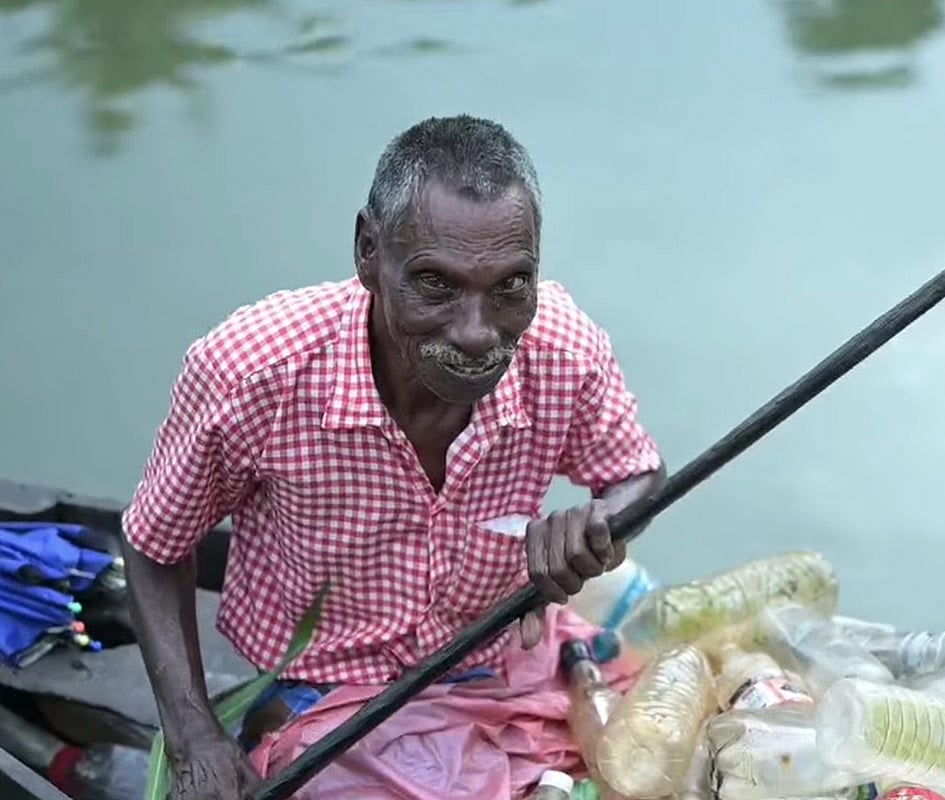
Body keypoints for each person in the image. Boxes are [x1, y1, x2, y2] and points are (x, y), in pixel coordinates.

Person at [120, 114, 666, 800]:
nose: (477, 334)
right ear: (368, 252)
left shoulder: (564, 350)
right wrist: (194, 735)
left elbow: (638, 475)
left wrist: (597, 525)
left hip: (501, 662)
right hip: (321, 691)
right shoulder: (253, 372)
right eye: (436, 284)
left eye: (510, 286)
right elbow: (154, 545)